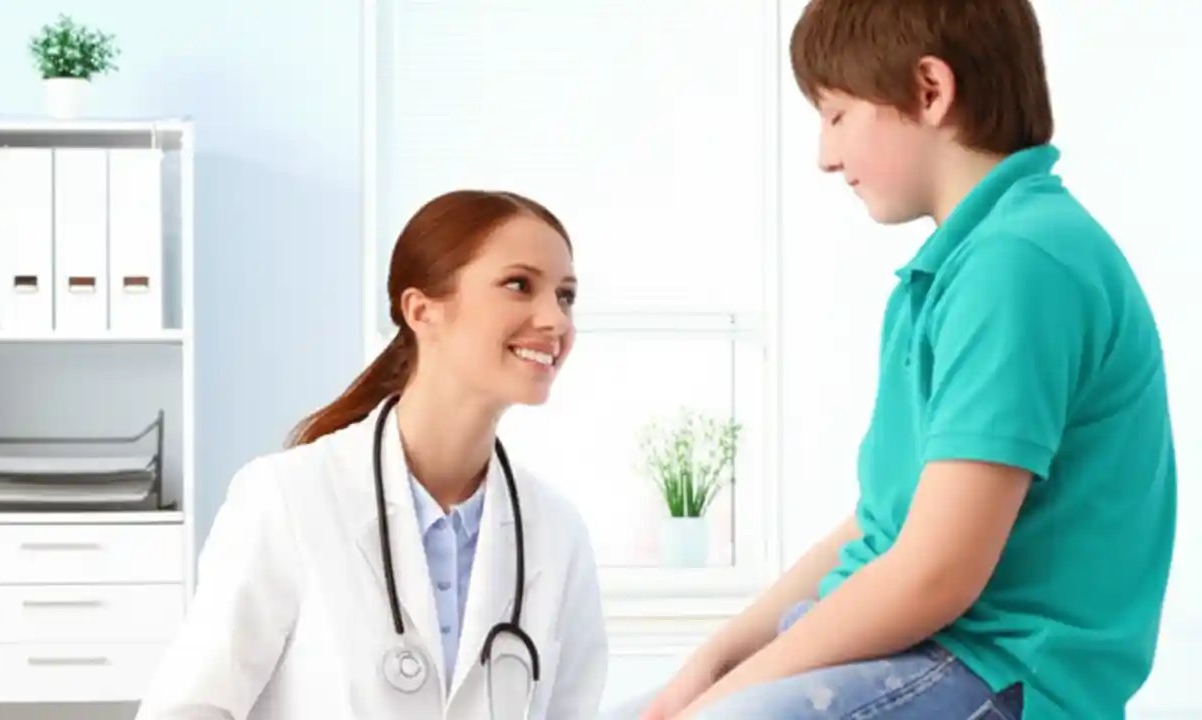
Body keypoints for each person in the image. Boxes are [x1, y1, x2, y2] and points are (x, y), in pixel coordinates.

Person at [611, 1, 1177, 718]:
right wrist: (714, 662)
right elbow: (879, 528)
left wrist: (724, 696)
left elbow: (934, 576)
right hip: (927, 654)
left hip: (993, 672)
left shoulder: (1020, 264)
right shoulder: (961, 269)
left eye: (837, 114)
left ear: (930, 90)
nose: (823, 155)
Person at [136, 190, 608, 719]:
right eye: (519, 285)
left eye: (565, 296)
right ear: (421, 310)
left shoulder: (557, 532)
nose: (555, 320)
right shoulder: (288, 497)